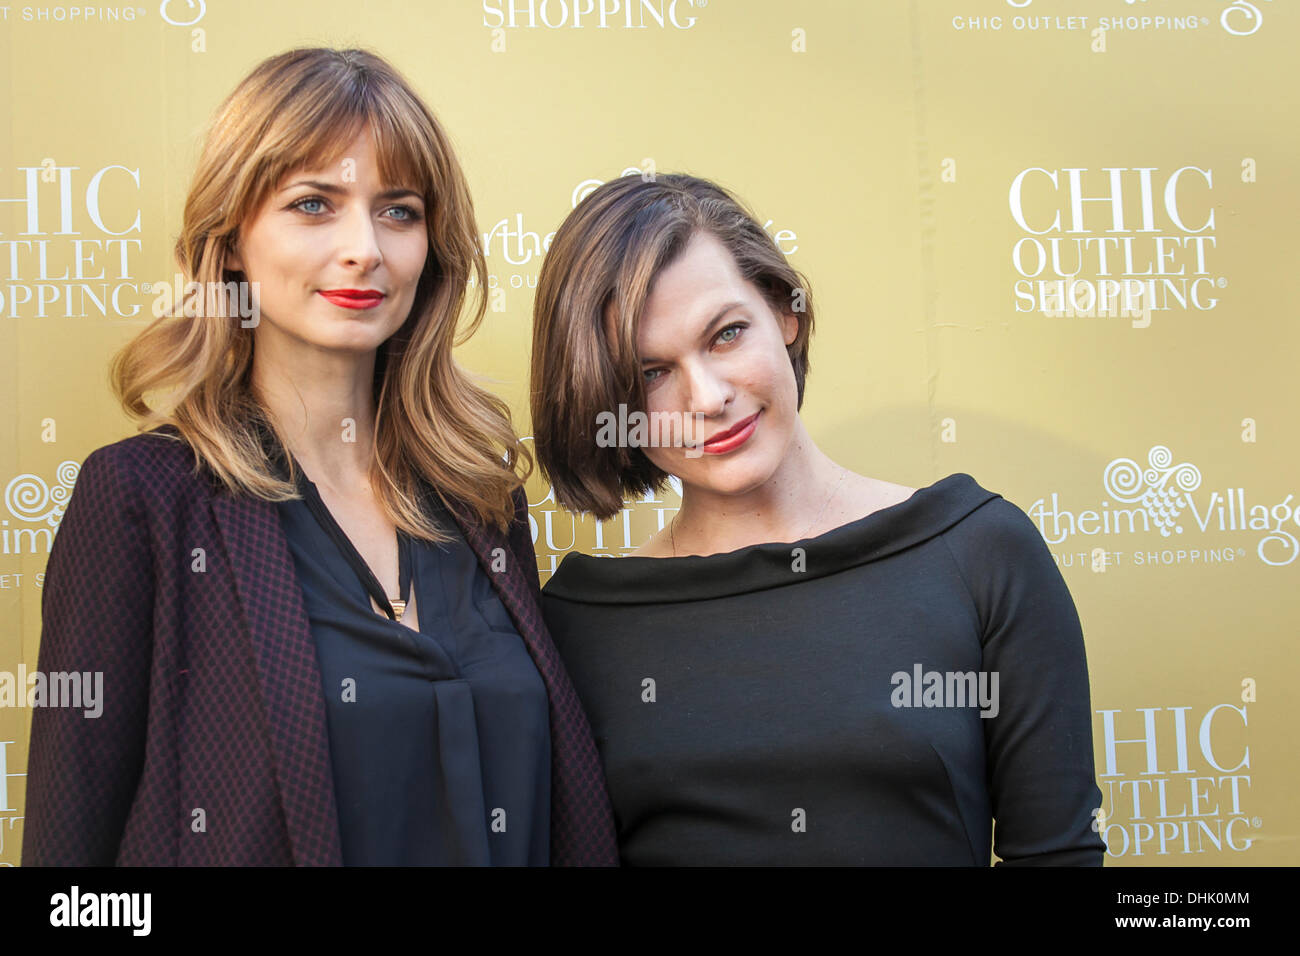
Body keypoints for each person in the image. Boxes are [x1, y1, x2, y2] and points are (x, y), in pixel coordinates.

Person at [23, 47, 616, 866]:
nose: (363, 247)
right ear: (230, 242)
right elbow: (70, 861)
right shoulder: (142, 499)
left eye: (398, 211)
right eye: (313, 204)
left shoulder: (480, 496)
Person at [530, 173, 1106, 865]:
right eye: (651, 373)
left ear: (785, 312)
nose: (707, 397)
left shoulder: (979, 554)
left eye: (727, 334)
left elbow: (1057, 855)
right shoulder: (576, 626)